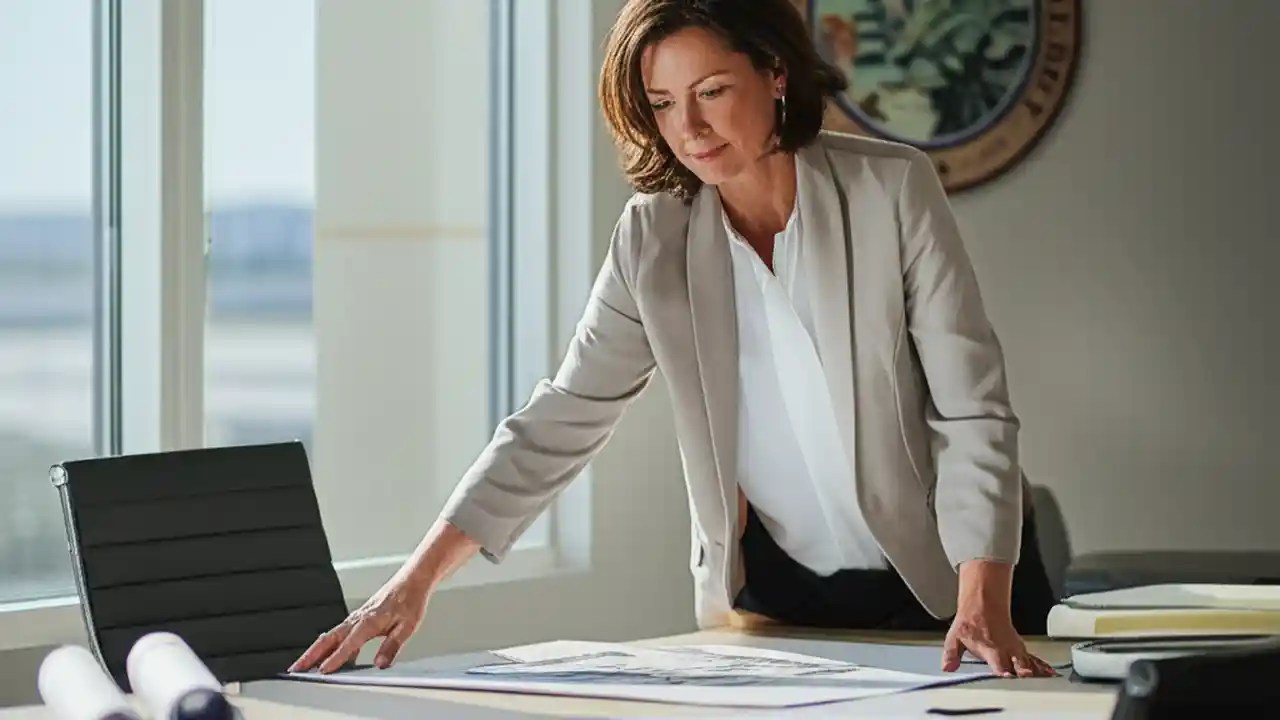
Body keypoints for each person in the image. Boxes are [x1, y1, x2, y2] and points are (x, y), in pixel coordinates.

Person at [290, 0, 1057, 679]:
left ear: (775, 73)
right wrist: (413, 581)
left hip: (956, 586)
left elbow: (972, 411)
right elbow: (559, 419)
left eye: (712, 91)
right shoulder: (653, 237)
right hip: (781, 603)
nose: (689, 129)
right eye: (662, 103)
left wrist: (982, 597)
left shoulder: (890, 190)